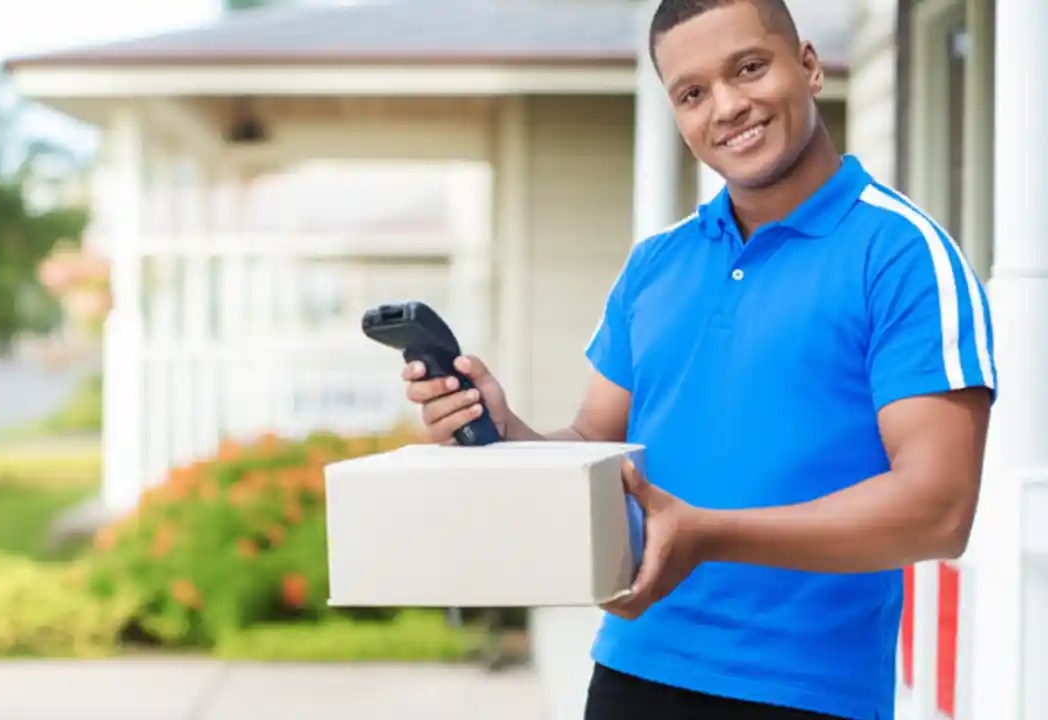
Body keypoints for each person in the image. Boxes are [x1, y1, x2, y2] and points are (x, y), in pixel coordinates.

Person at [400, 0, 996, 718]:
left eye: (749, 68)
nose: (728, 106)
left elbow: (938, 510)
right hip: (632, 669)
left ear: (807, 66)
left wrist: (710, 535)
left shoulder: (903, 255)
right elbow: (596, 448)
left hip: (808, 692)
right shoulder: (655, 265)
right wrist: (507, 434)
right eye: (692, 92)